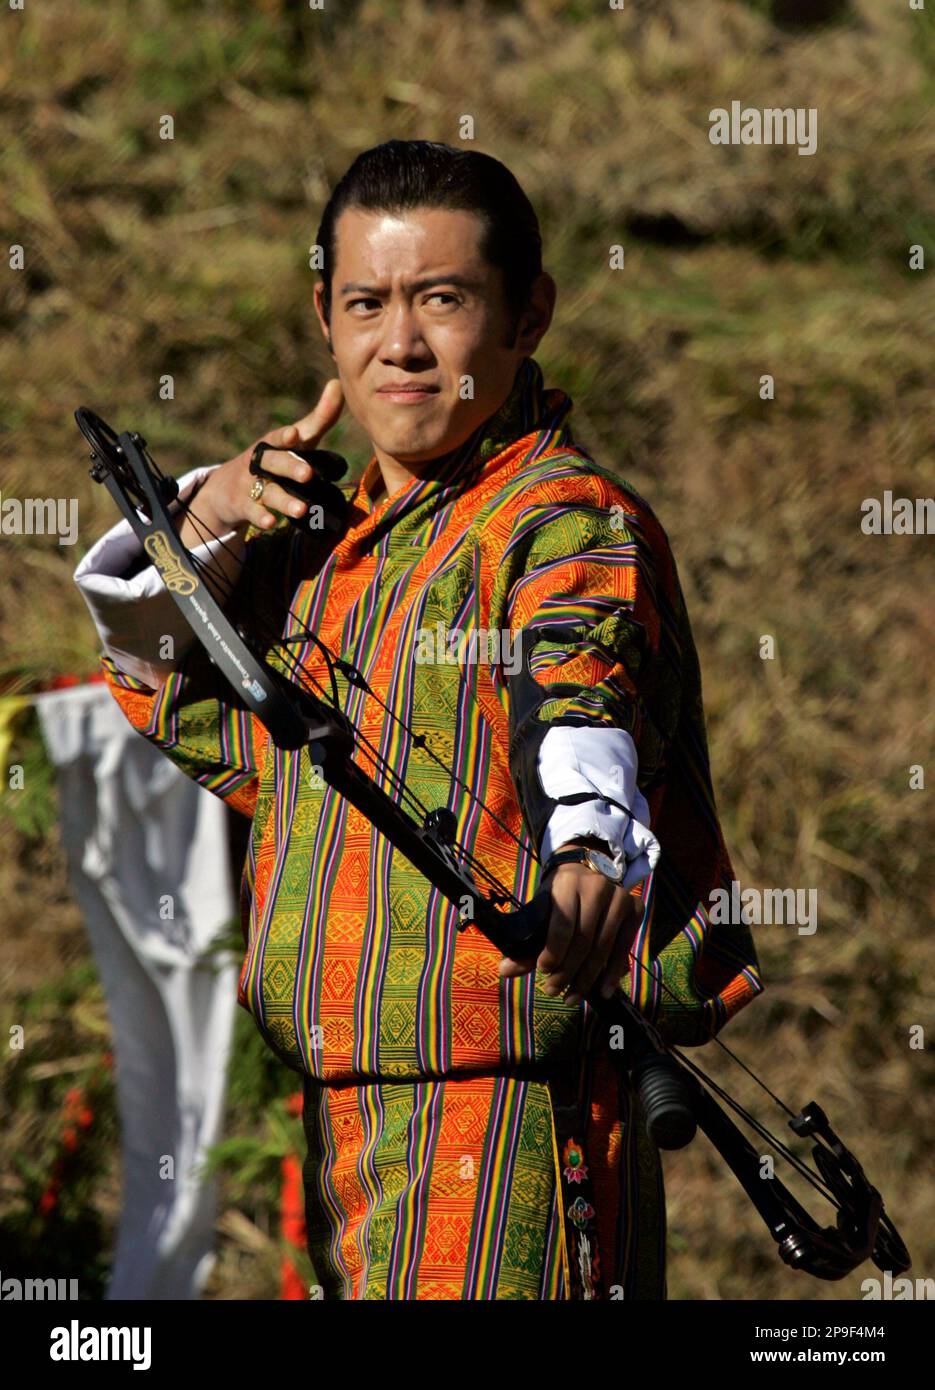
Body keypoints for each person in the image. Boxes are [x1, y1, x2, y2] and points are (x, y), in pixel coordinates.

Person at [74, 139, 761, 1300]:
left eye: (442, 300)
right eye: (367, 302)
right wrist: (217, 513)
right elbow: (160, 689)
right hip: (348, 1115)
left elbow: (576, 681)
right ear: (324, 316)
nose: (400, 342)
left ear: (527, 312)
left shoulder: (559, 518)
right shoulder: (315, 550)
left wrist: (587, 845)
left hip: (505, 1119)